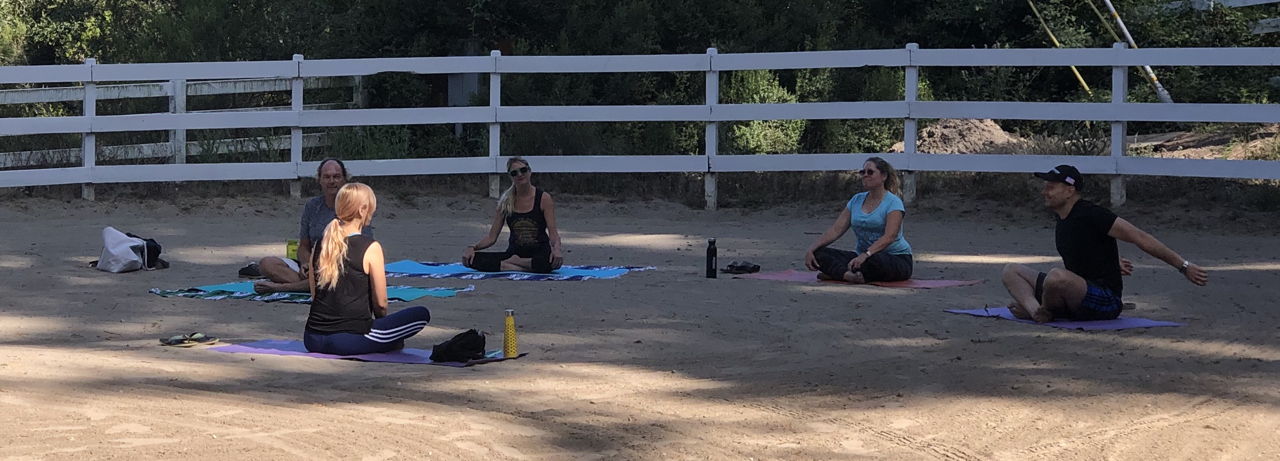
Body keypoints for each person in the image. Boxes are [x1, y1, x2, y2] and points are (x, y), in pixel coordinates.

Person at [1002, 164, 1209, 323]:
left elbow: (1141, 237)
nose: (1044, 192)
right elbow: (1086, 246)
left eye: (1051, 187)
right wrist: (1112, 260)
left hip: (1105, 300)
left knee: (1056, 277)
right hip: (1074, 292)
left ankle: (1040, 311)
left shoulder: (1093, 214)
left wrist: (1183, 266)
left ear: (1069, 191)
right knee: (1011, 271)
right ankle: (1036, 312)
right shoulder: (1063, 217)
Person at [304, 182, 430, 355]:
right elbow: (381, 304)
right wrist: (384, 328)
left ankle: (383, 340)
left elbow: (314, 294)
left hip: (312, 338)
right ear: (363, 210)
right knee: (421, 314)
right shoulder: (370, 247)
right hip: (349, 338)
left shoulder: (321, 245)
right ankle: (384, 341)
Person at [254, 158, 372, 294]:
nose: (332, 181)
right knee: (267, 264)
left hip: (341, 266)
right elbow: (304, 246)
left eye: (336, 177)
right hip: (313, 265)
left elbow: (363, 249)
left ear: (345, 180)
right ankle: (310, 286)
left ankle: (284, 287)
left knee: (339, 275)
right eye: (327, 177)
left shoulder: (356, 207)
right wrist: (306, 263)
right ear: (320, 180)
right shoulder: (312, 206)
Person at [803, 157, 913, 283]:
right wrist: (812, 249)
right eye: (863, 172)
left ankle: (838, 273)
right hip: (860, 258)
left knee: (875, 262)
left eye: (870, 172)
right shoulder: (856, 200)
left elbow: (890, 236)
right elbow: (836, 230)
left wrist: (866, 254)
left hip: (894, 258)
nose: (865, 175)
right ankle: (848, 275)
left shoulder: (893, 202)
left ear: (883, 176)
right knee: (819, 254)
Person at [463, 157, 564, 273]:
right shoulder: (506, 201)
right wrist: (472, 248)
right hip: (513, 253)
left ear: (529, 171)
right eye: (514, 173)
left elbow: (553, 233)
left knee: (549, 263)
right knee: (472, 260)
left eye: (523, 170)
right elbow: (491, 238)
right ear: (511, 177)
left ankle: (511, 265)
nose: (520, 174)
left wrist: (556, 249)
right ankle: (519, 266)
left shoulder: (544, 198)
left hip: (539, 253)